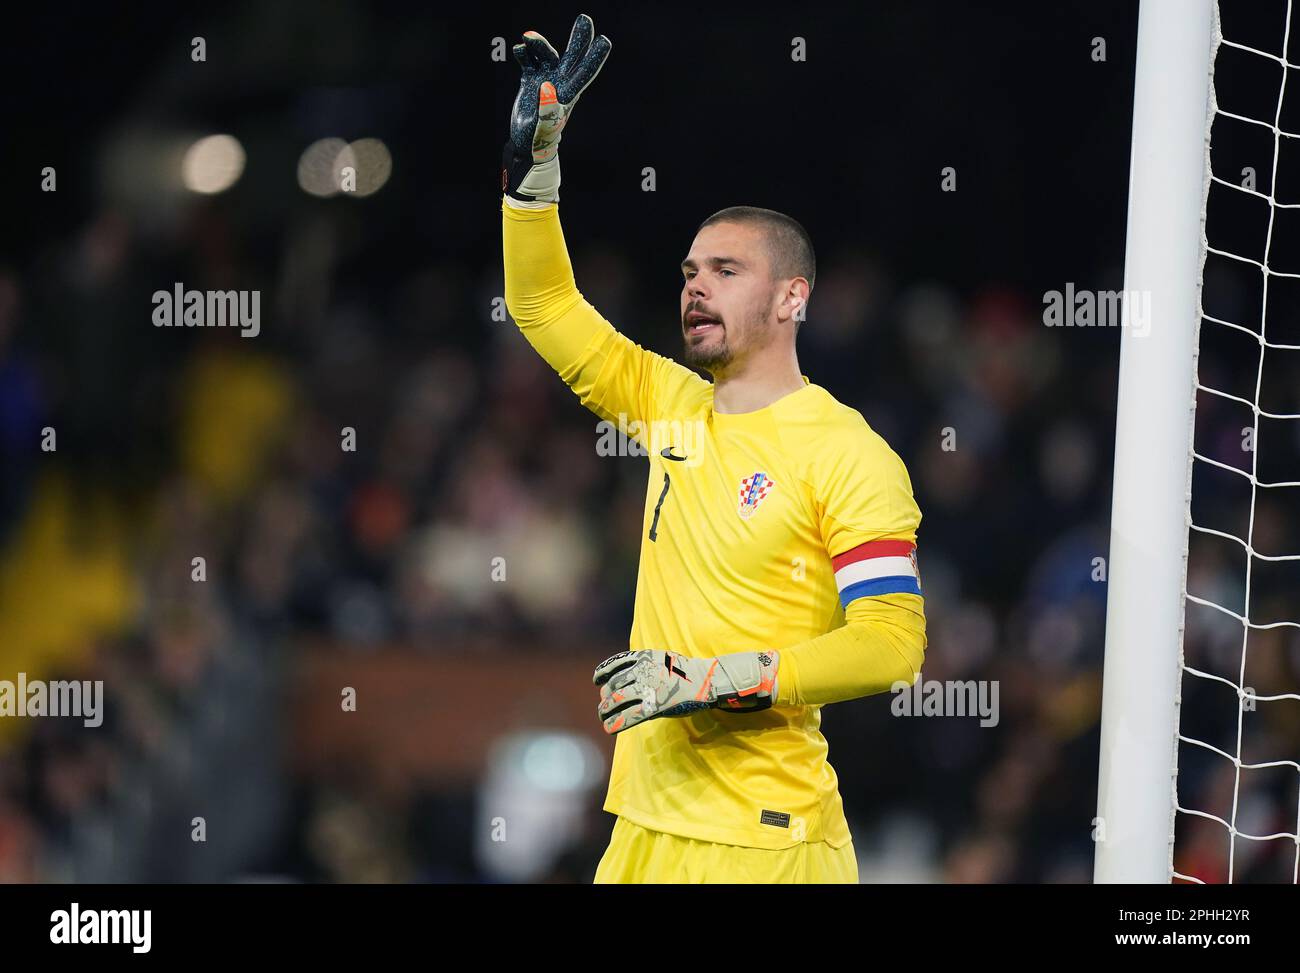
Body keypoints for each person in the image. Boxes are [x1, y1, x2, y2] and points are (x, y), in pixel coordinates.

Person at [500, 14, 927, 884]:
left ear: (791, 298)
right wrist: (531, 180)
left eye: (726, 270)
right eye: (691, 270)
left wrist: (711, 678)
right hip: (645, 823)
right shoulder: (669, 404)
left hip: (767, 839)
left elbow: (892, 645)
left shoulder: (847, 451)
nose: (696, 284)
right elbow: (544, 307)